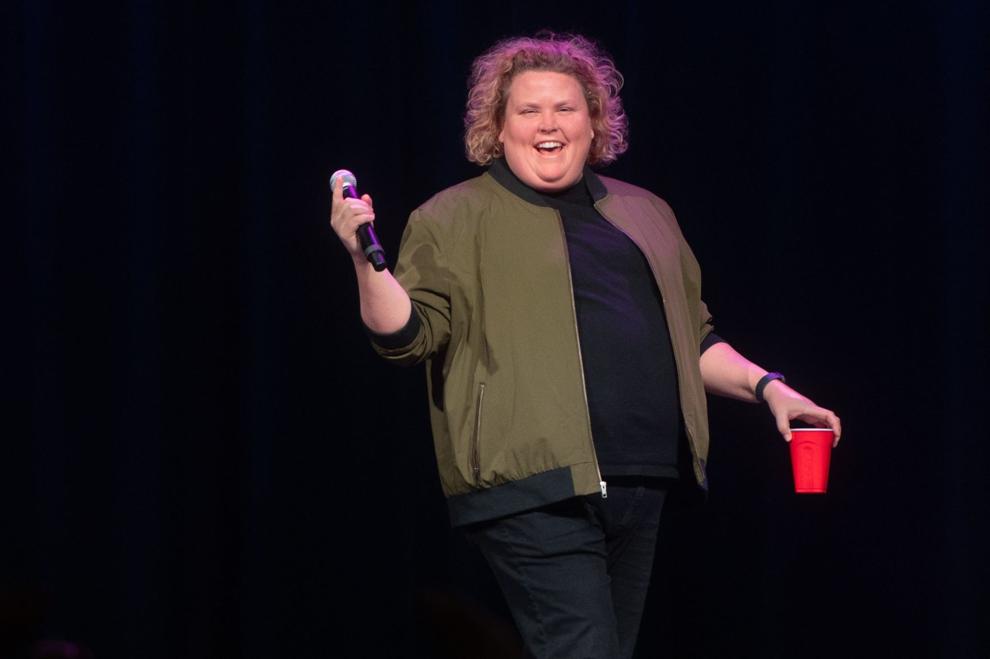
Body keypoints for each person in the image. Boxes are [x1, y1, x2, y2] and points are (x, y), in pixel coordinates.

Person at [331, 33, 841, 659]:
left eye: (566, 108)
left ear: (593, 122)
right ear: (498, 127)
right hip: (531, 486)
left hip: (640, 479)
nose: (548, 124)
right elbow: (408, 337)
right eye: (528, 110)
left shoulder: (645, 212)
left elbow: (692, 337)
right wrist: (365, 261)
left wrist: (770, 388)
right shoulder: (453, 216)